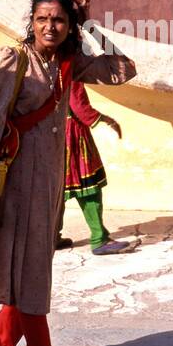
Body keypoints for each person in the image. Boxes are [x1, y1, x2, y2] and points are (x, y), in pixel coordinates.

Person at [0, 0, 136, 346]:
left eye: (60, 20)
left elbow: (124, 68)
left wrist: (89, 26)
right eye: (43, 19)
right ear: (31, 21)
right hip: (15, 188)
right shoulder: (14, 60)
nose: (51, 26)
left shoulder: (70, 64)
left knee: (26, 271)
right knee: (32, 283)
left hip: (48, 188)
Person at [59, 81, 135, 255]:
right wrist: (108, 120)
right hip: (73, 137)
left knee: (57, 192)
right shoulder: (70, 73)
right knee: (89, 188)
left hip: (52, 136)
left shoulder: (45, 67)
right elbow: (80, 108)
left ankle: (50, 237)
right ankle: (99, 239)